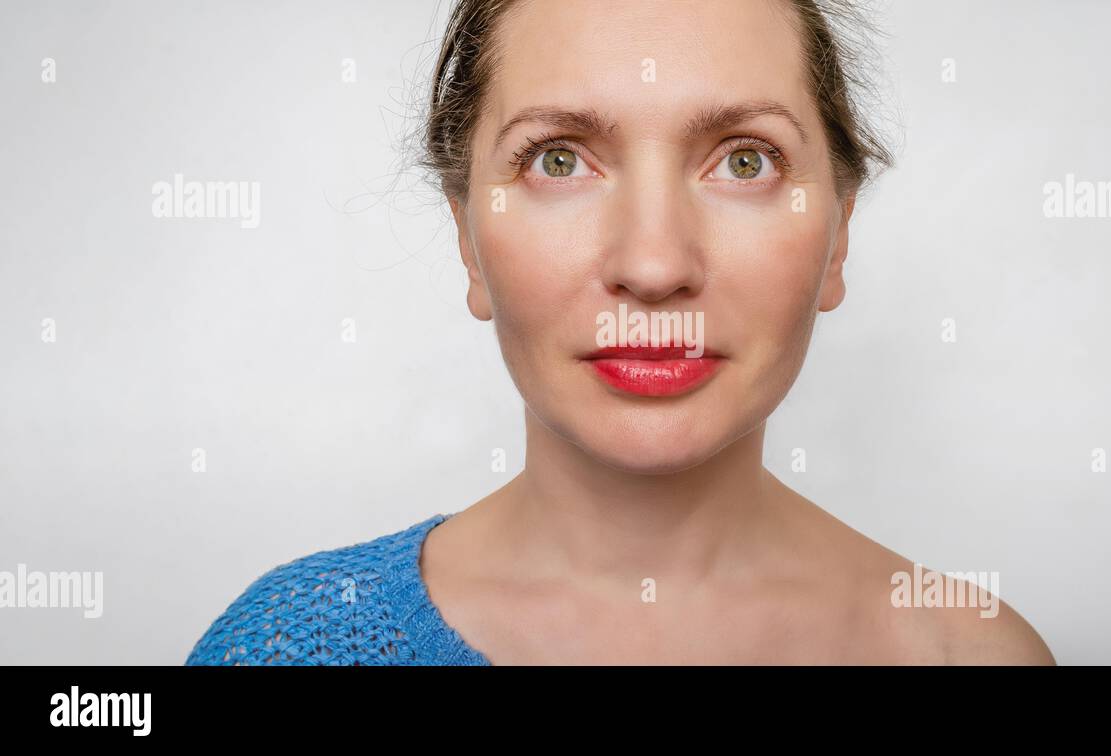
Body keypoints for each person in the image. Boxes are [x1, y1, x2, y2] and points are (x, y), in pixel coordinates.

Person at [185, 0, 1055, 666]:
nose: (653, 264)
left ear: (840, 238)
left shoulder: (970, 653)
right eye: (558, 159)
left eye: (744, 160)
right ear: (468, 243)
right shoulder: (288, 647)